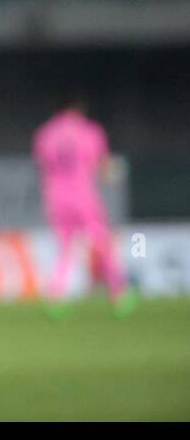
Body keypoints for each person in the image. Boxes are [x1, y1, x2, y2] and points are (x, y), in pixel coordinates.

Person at [33, 95, 136, 317]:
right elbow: (103, 168)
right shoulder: (90, 131)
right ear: (78, 110)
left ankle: (55, 294)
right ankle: (120, 293)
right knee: (101, 242)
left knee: (65, 247)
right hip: (83, 195)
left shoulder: (44, 134)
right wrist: (115, 172)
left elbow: (43, 169)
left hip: (56, 197)